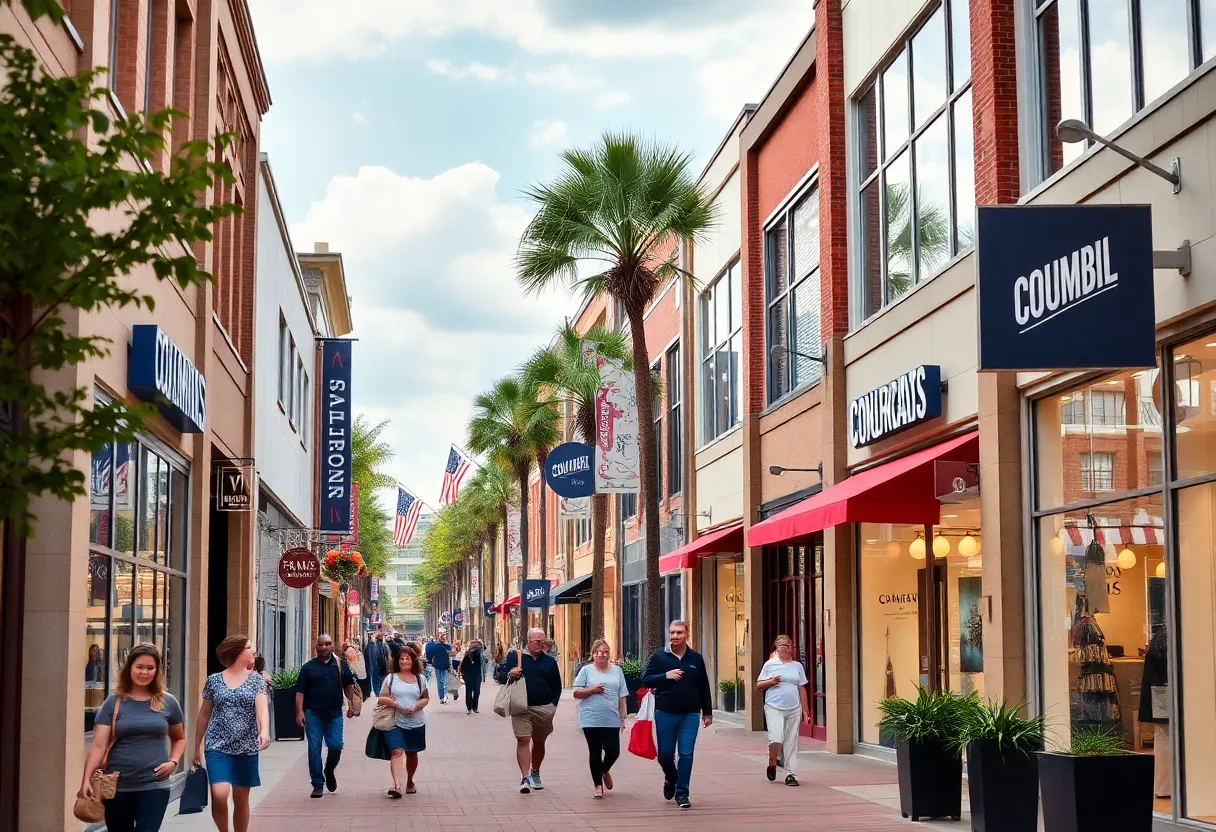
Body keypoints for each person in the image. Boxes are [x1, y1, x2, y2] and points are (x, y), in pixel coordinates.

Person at [79, 643, 185, 831]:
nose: (144, 672)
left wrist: (174, 762)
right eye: (140, 667)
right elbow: (98, 746)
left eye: (150, 668)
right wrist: (86, 780)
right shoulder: (113, 703)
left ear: (157, 670)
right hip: (116, 788)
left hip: (155, 786)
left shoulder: (168, 702)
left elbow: (179, 738)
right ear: (130, 669)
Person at [195, 636, 270, 832]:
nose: (253, 652)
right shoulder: (214, 681)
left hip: (246, 747)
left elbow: (262, 707)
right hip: (217, 746)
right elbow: (204, 714)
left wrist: (265, 730)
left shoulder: (256, 680)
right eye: (249, 648)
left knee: (240, 797)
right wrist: (197, 745)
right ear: (238, 652)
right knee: (219, 794)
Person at [641, 620, 713, 809]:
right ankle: (671, 778)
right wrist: (666, 676)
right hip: (665, 713)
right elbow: (645, 679)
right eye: (672, 633)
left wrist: (707, 712)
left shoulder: (696, 659)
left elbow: (703, 686)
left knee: (686, 754)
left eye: (679, 633)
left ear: (687, 635)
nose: (674, 636)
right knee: (664, 755)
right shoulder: (659, 656)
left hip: (690, 714)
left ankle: (682, 793)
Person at [295, 634, 360, 798]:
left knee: (336, 746)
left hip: (334, 714)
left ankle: (329, 769)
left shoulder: (340, 664)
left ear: (332, 646)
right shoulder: (308, 668)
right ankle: (317, 784)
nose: (324, 647)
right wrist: (299, 712)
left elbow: (349, 685)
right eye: (321, 645)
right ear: (316, 647)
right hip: (313, 714)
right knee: (314, 749)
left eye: (328, 644)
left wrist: (352, 705)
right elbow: (300, 692)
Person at [504, 628, 563, 793]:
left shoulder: (550, 662)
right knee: (523, 739)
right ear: (528, 640)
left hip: (544, 708)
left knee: (539, 742)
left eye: (541, 641)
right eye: (535, 640)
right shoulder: (516, 657)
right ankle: (524, 778)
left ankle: (535, 771)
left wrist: (554, 705)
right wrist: (510, 673)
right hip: (521, 707)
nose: (538, 644)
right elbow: (502, 677)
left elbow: (557, 686)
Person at [572, 639, 628, 798]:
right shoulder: (586, 671)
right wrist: (592, 690)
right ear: (593, 654)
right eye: (599, 651)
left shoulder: (617, 671)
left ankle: (604, 770)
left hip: (611, 718)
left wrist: (623, 719)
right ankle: (597, 785)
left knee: (613, 751)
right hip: (590, 717)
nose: (602, 654)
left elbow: (622, 697)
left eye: (605, 651)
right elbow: (576, 693)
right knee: (595, 751)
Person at [756, 635, 812, 786]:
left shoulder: (797, 666)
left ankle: (790, 774)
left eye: (787, 646)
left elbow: (801, 688)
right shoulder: (770, 664)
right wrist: (771, 681)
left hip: (794, 708)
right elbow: (759, 685)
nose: (784, 649)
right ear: (776, 647)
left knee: (791, 741)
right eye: (781, 646)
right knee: (776, 739)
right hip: (774, 706)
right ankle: (773, 761)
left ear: (791, 647)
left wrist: (805, 711)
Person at [377, 641, 429, 798]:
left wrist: (416, 706)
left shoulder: (420, 678)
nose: (404, 661)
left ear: (413, 660)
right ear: (397, 661)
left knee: (412, 754)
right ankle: (396, 786)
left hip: (416, 722)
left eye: (407, 659)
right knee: (397, 751)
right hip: (395, 721)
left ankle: (410, 781)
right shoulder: (391, 679)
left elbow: (425, 698)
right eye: (401, 659)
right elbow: (381, 698)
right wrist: (395, 704)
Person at [423, 633, 452, 704]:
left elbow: (429, 656)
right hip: (446, 665)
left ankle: (441, 697)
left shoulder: (433, 647)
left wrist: (430, 661)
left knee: (439, 681)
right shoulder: (448, 647)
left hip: (437, 665)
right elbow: (451, 654)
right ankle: (445, 694)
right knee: (445, 680)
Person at [459, 640, 484, 714]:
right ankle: (470, 708)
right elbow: (462, 665)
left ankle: (474, 707)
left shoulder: (479, 653)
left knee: (475, 692)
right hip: (469, 674)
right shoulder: (467, 654)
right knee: (471, 692)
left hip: (476, 674)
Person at [366, 633, 388, 698]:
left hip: (377, 665)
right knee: (380, 679)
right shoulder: (383, 645)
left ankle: (378, 692)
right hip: (379, 664)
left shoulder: (373, 645)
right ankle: (379, 692)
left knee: (377, 679)